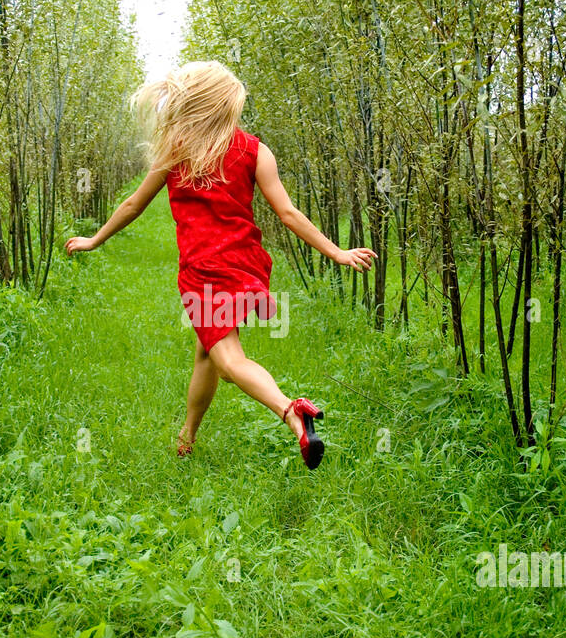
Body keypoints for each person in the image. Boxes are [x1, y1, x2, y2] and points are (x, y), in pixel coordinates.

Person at [65, 61, 375, 468]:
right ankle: (187, 437)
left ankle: (291, 412)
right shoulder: (256, 150)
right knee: (206, 353)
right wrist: (336, 252)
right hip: (247, 267)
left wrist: (95, 239)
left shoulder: (177, 150)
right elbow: (288, 213)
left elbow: (133, 204)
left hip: (205, 273)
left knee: (229, 363)